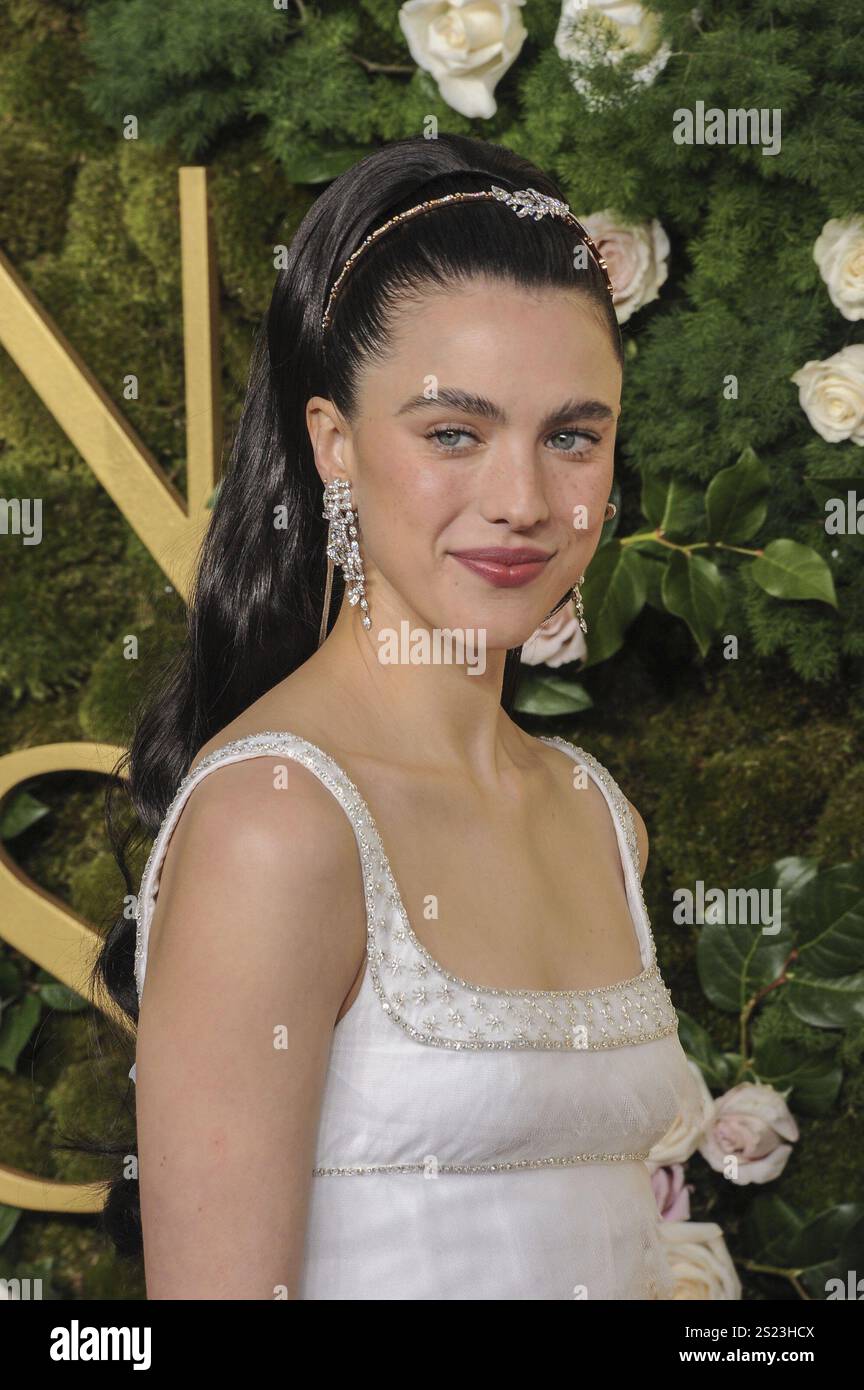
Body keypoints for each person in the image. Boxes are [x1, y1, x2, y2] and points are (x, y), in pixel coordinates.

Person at [97, 132, 700, 1300]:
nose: (523, 501)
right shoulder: (276, 823)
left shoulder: (596, 816)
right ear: (334, 445)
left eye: (572, 435)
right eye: (453, 434)